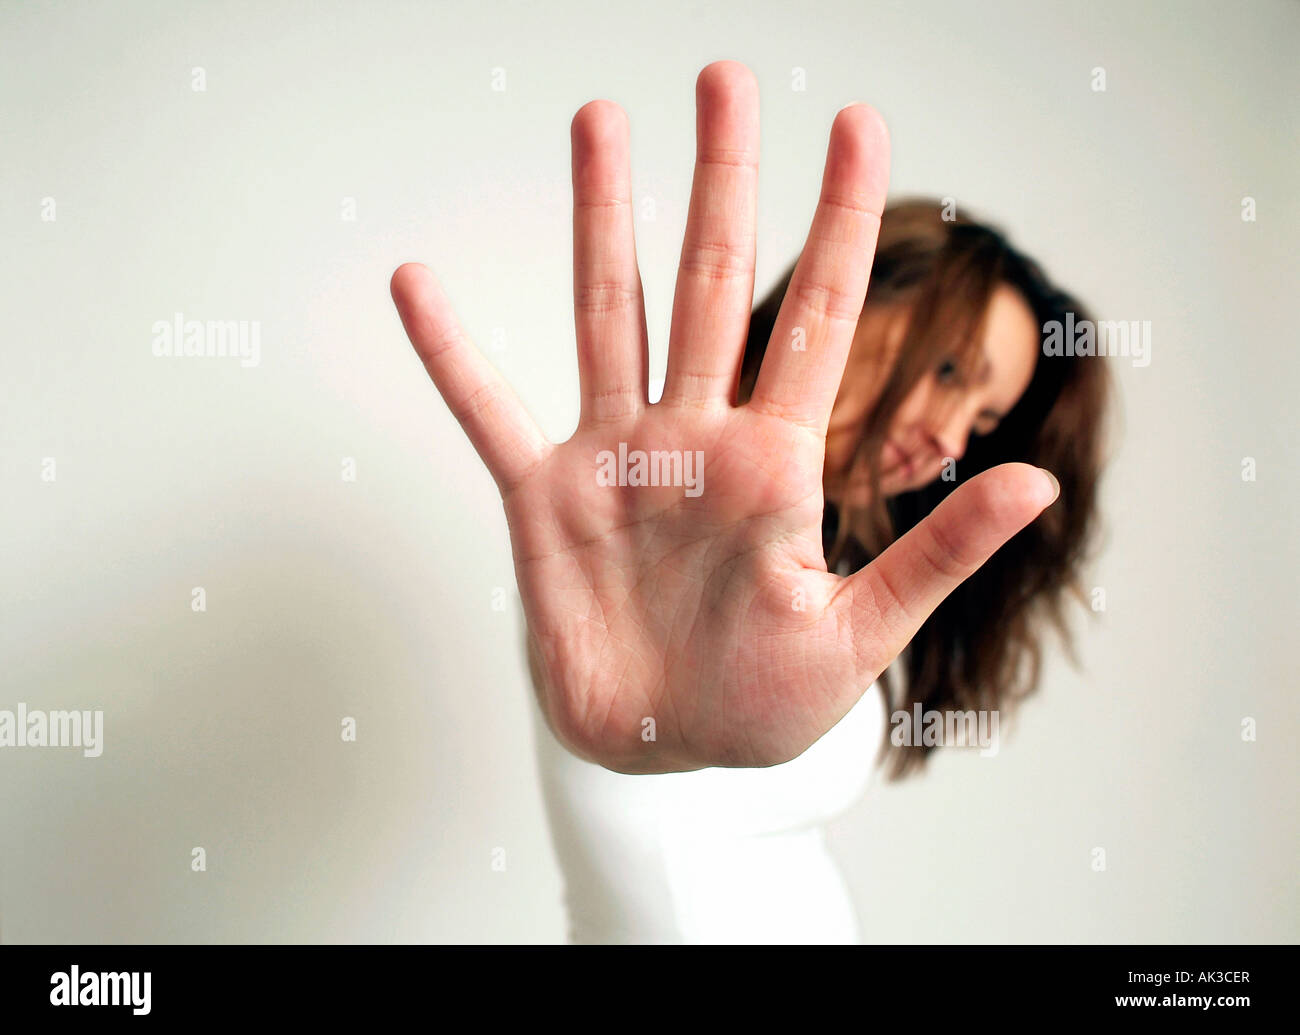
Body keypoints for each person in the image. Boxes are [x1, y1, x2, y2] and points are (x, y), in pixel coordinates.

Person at [391, 61, 1108, 942]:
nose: (952, 442)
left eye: (985, 420)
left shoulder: (839, 572)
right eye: (951, 369)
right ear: (859, 301)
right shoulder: (644, 518)